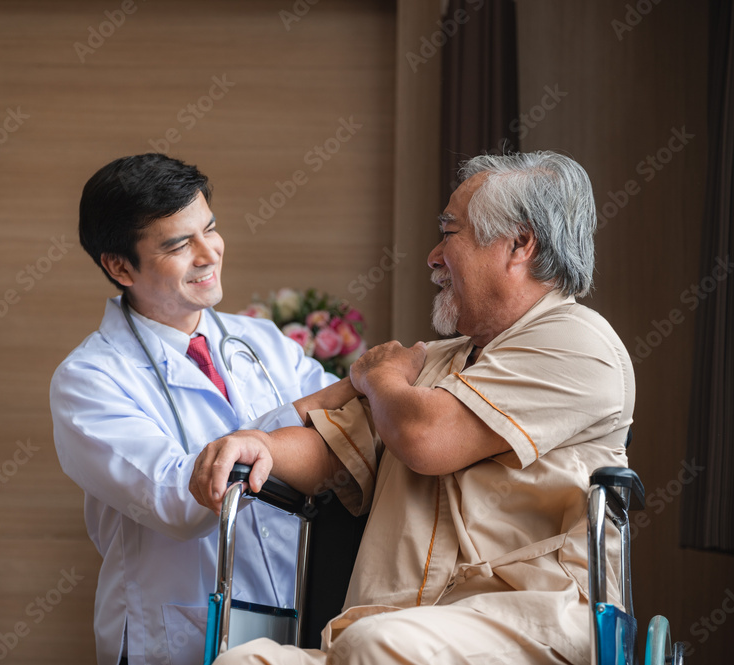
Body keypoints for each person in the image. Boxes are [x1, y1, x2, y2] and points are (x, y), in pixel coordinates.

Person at [191, 151, 634, 665]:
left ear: (519, 244)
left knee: (374, 644)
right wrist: (260, 445)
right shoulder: (431, 363)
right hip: (402, 625)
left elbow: (425, 439)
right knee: (241, 662)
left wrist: (377, 374)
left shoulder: (576, 342)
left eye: (450, 233)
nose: (432, 256)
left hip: (529, 622)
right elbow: (330, 449)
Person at [50, 153, 355, 665]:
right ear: (120, 266)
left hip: (292, 616)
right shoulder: (88, 381)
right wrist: (289, 425)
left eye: (209, 229)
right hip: (172, 634)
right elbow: (181, 501)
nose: (208, 253)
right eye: (178, 244)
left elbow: (341, 433)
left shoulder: (258, 340)